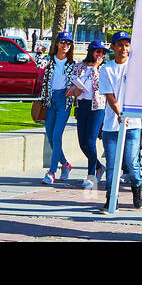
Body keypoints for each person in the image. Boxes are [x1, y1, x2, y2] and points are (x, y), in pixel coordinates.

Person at [98, 32, 142, 211]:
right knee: (112, 164)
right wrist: (119, 114)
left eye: (126, 45)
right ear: (113, 47)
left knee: (132, 162)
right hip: (112, 125)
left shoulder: (135, 67)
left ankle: (137, 187)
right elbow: (110, 95)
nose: (123, 49)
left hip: (132, 125)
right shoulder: (106, 69)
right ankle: (111, 198)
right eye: (119, 45)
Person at [70, 40, 107, 189]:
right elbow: (72, 83)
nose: (100, 55)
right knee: (82, 143)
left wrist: (96, 68)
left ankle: (91, 175)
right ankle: (99, 166)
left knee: (91, 141)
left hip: (97, 107)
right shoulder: (79, 66)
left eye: (103, 53)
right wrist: (74, 90)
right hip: (82, 105)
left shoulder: (103, 69)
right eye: (98, 51)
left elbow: (102, 87)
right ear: (91, 51)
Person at [41, 32, 75, 184]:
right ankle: (66, 165)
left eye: (68, 43)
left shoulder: (72, 64)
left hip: (64, 101)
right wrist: (39, 52)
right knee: (50, 136)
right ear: (57, 44)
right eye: (63, 42)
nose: (65, 45)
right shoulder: (49, 60)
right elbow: (38, 64)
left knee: (56, 136)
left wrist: (73, 88)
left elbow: (79, 80)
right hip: (50, 101)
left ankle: (52, 171)